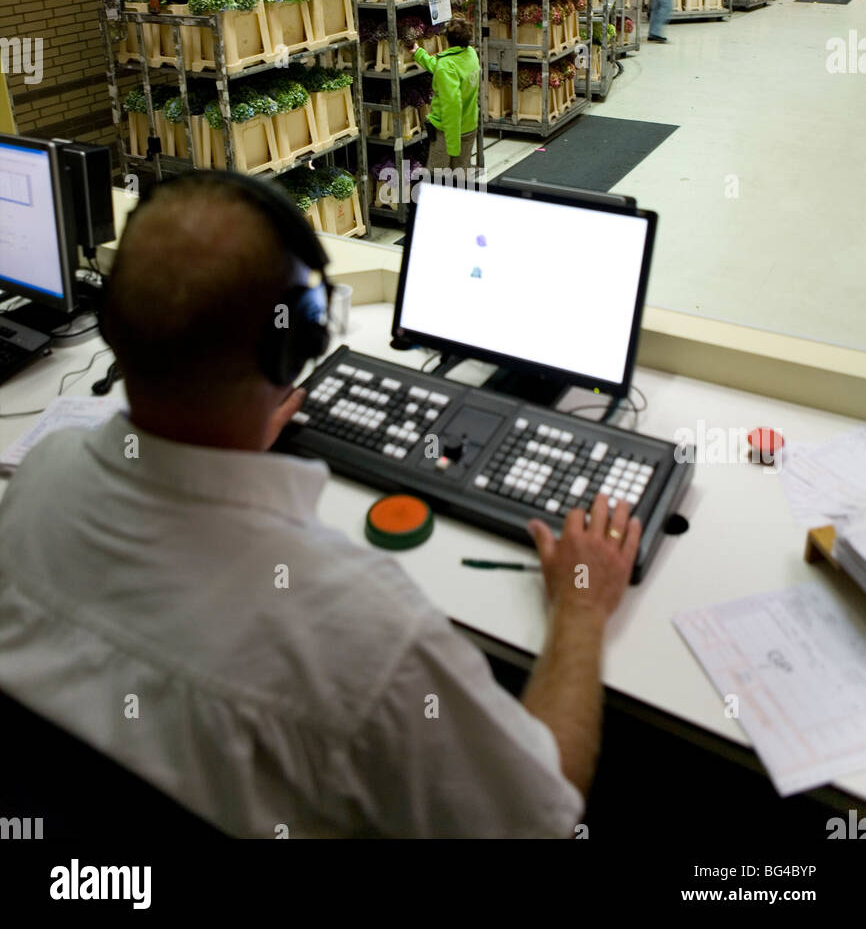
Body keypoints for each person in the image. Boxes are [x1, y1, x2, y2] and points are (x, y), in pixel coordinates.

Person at [0, 172, 641, 839]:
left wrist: (230, 425)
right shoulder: (371, 635)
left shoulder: (41, 474)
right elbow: (540, 815)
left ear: (110, 327)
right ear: (294, 348)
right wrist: (583, 607)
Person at [410, 15, 480, 173]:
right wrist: (419, 54)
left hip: (449, 132)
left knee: (438, 178)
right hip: (469, 125)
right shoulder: (470, 55)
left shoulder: (446, 66)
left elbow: (452, 106)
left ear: (447, 39)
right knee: (461, 175)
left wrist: (453, 144)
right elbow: (443, 70)